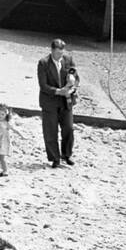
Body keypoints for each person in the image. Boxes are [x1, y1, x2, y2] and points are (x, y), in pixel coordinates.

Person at [37, 38, 79, 167]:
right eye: (57, 53)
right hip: (50, 101)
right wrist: (58, 91)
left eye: (61, 53)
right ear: (52, 50)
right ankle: (55, 158)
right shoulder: (43, 63)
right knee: (51, 131)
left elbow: (76, 78)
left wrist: (71, 89)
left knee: (69, 128)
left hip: (66, 100)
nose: (60, 56)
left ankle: (66, 155)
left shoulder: (68, 59)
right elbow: (43, 85)